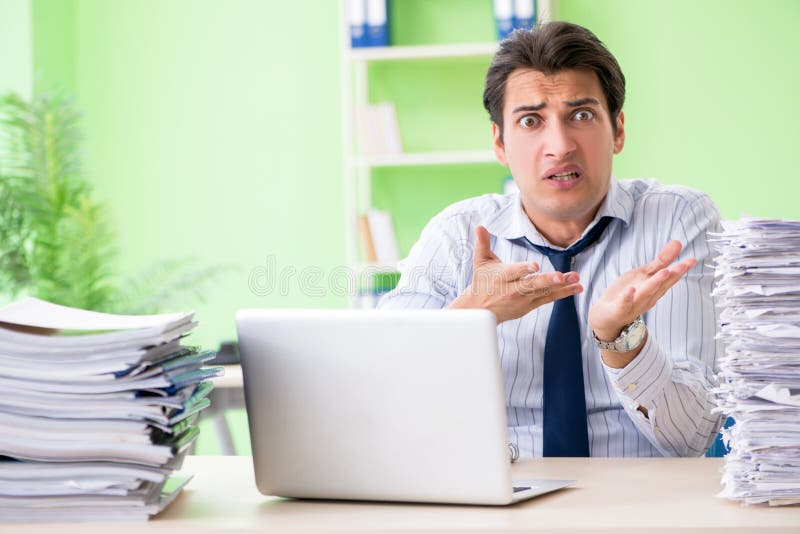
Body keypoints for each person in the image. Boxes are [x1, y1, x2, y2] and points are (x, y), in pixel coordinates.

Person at [378, 21, 723, 457]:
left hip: (636, 503)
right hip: (501, 498)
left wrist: (621, 340)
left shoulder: (678, 220)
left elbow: (692, 439)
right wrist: (470, 314)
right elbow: (382, 386)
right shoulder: (456, 234)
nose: (559, 146)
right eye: (530, 121)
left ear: (617, 130)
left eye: (581, 115)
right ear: (499, 144)